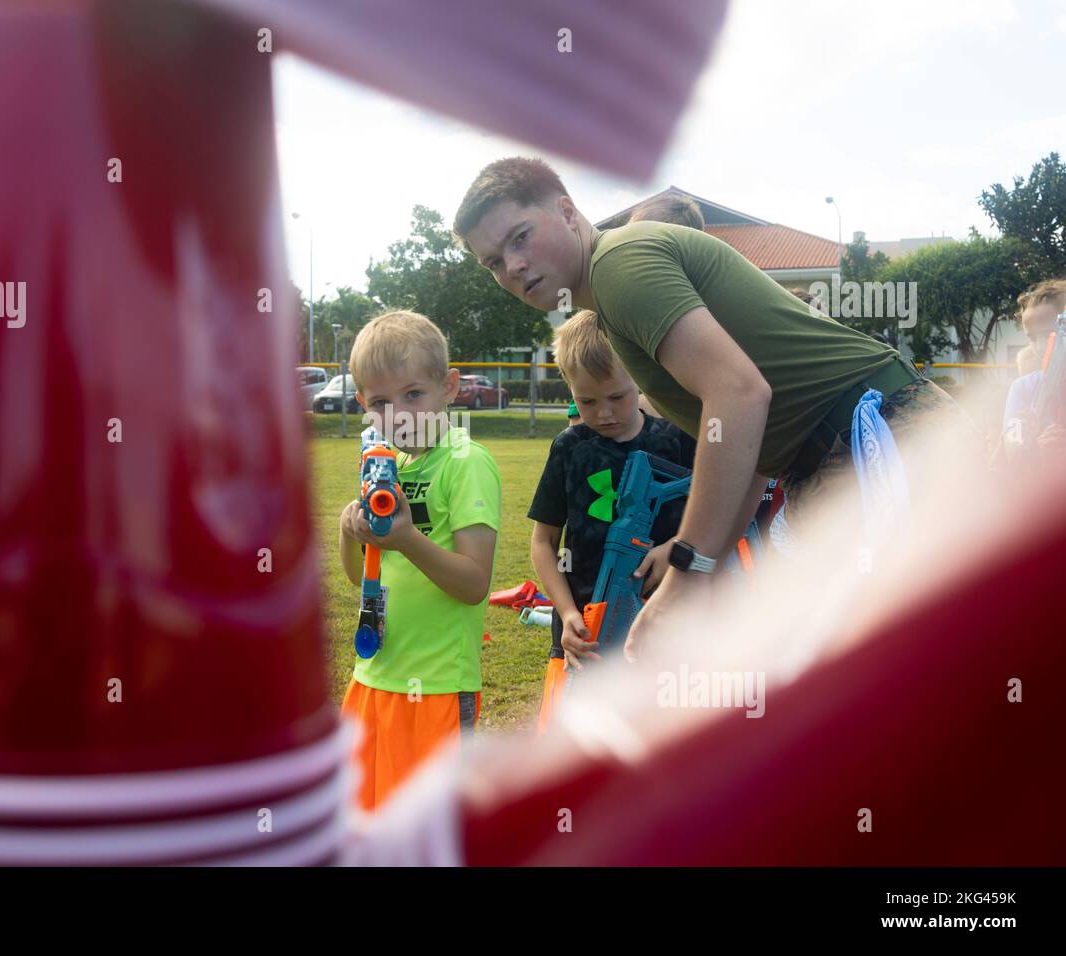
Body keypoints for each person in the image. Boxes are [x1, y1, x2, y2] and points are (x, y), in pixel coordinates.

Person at [454, 156, 976, 655]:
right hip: (841, 451)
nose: (513, 267)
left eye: (519, 237)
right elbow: (752, 445)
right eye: (493, 262)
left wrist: (686, 570)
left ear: (566, 211)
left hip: (878, 440)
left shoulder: (618, 267)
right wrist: (701, 562)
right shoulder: (611, 300)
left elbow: (740, 394)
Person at [337, 310, 502, 811]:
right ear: (364, 405)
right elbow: (363, 579)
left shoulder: (464, 462)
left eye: (413, 394)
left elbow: (474, 583)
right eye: (382, 402)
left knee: (430, 830)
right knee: (370, 821)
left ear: (448, 387)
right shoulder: (388, 465)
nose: (399, 414)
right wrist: (351, 534)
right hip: (374, 675)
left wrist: (406, 538)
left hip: (435, 687)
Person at [529, 311, 696, 729]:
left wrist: (672, 550)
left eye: (617, 397)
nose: (604, 413)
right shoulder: (568, 448)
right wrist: (567, 614)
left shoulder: (677, 440)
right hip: (583, 637)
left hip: (664, 629)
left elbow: (716, 522)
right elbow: (543, 542)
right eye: (586, 401)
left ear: (639, 376)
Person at [1001, 279, 1066, 468]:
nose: (1040, 345)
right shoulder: (1024, 388)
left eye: (1049, 333)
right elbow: (1014, 453)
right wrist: (1031, 442)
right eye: (1032, 337)